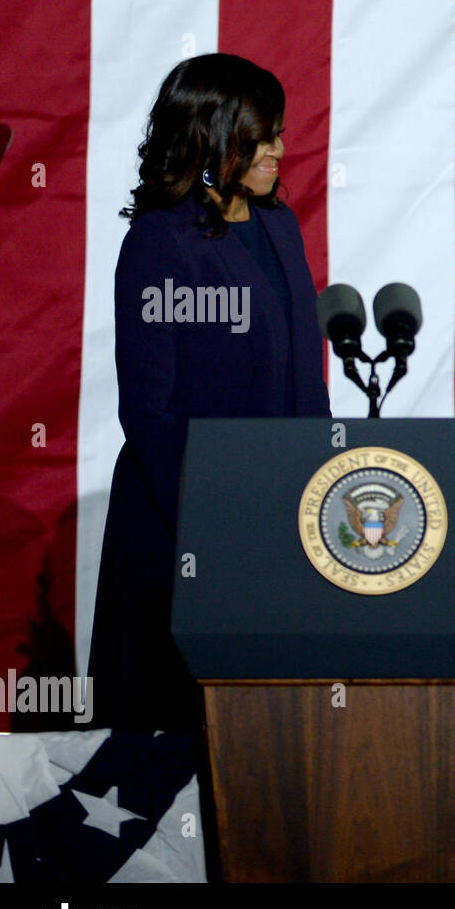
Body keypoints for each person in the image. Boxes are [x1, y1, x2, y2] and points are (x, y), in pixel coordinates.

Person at [88, 54, 331, 729]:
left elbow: (305, 381)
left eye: (277, 132)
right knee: (173, 757)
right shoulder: (161, 242)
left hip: (285, 525)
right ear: (209, 137)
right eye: (261, 136)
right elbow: (148, 411)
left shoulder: (279, 224)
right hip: (182, 537)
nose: (279, 149)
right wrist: (215, 528)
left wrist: (320, 486)